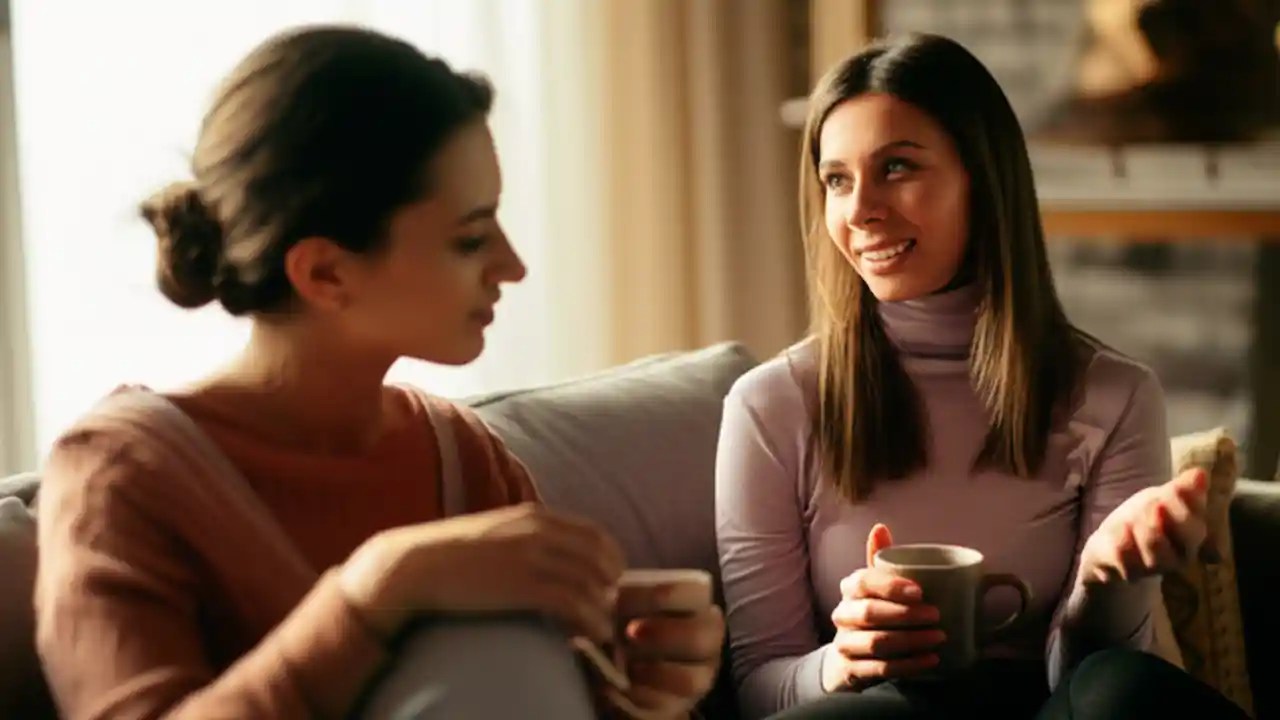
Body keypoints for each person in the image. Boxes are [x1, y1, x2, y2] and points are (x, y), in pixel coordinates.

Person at [34, 25, 723, 720]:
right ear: (326, 272)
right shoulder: (122, 475)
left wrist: (639, 690)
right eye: (471, 238)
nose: (513, 267)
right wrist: (374, 592)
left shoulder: (463, 456)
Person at [714, 33, 1250, 720]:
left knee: (1125, 686)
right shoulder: (771, 406)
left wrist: (1104, 578)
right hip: (880, 713)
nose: (860, 210)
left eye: (898, 167)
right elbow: (759, 687)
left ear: (982, 180)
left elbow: (1086, 677)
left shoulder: (1114, 396)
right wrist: (841, 662)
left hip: (1054, 710)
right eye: (837, 179)